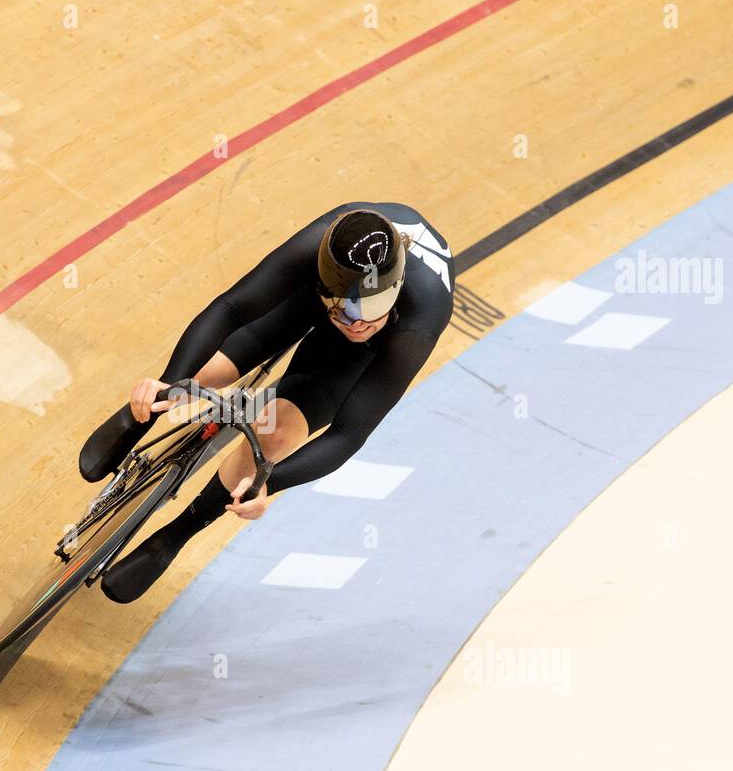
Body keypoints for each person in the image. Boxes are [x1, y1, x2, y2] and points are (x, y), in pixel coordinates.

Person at [80, 202, 455, 603]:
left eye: (370, 314)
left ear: (393, 292)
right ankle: (141, 414)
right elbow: (231, 309)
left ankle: (175, 535)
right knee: (205, 372)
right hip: (312, 301)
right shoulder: (314, 249)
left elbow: (349, 434)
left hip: (368, 349)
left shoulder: (422, 313)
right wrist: (172, 380)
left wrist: (266, 482)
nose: (358, 324)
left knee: (272, 438)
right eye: (346, 314)